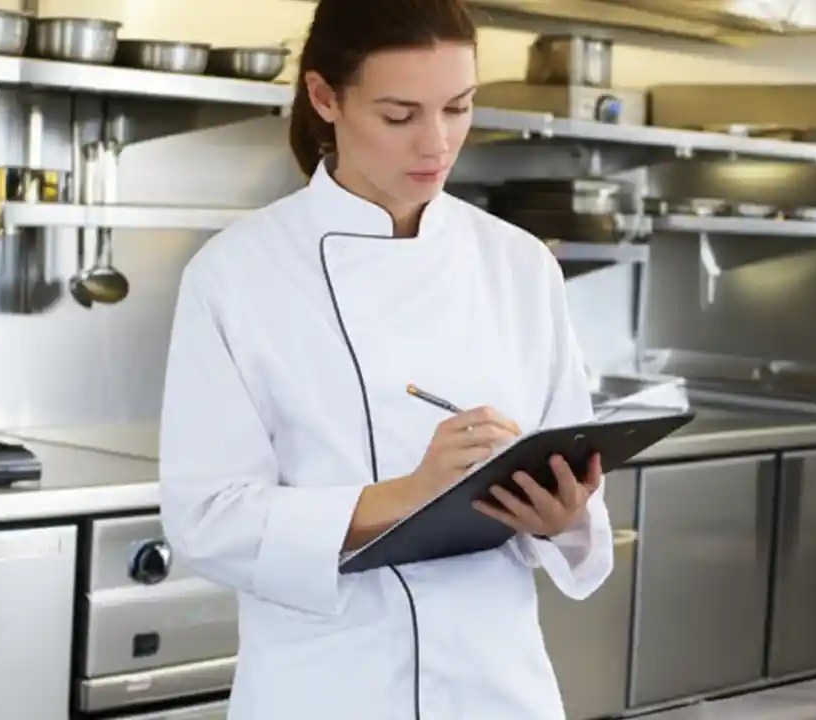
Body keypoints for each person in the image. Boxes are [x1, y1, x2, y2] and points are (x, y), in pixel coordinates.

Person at [156, 0, 614, 717]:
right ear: (324, 97)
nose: (437, 143)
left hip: (496, 687)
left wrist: (561, 513)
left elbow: (577, 495)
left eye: (458, 108)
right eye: (400, 116)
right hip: (329, 689)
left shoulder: (520, 265)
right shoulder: (237, 274)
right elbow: (208, 519)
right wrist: (408, 494)